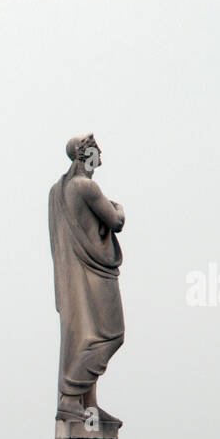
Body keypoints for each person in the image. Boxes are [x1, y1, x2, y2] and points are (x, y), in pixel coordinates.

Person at [48, 134, 125, 424]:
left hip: (77, 272)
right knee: (109, 335)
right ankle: (70, 396)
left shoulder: (58, 190)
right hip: (94, 271)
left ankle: (88, 407)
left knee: (86, 335)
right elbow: (115, 221)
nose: (100, 155)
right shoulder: (86, 187)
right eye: (96, 151)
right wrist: (119, 207)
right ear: (85, 155)